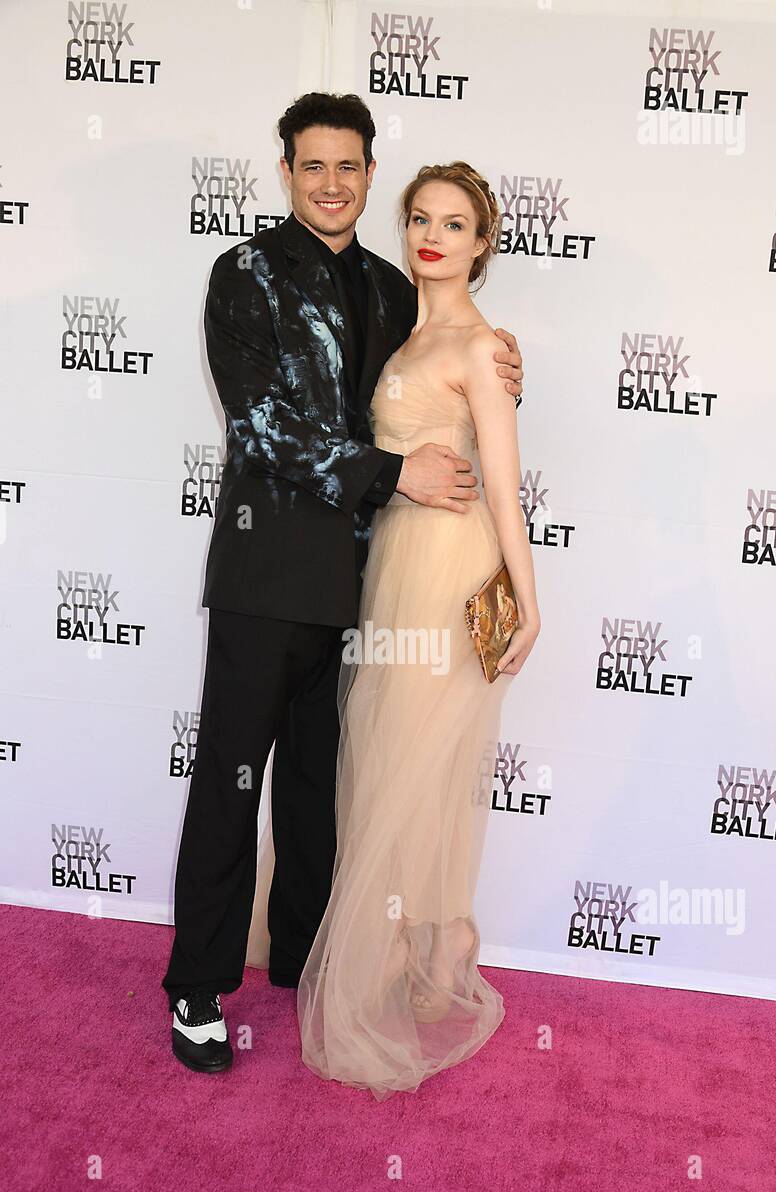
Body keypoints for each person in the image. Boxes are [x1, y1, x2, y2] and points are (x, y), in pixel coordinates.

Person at [163, 93, 524, 1073]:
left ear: (369, 174)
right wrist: (392, 474)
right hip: (265, 573)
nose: (332, 183)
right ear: (286, 171)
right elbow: (266, 430)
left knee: (328, 791)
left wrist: (497, 361)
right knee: (233, 783)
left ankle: (302, 959)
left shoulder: (390, 287)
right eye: (313, 166)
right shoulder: (242, 277)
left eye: (351, 168)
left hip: (369, 587)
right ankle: (197, 982)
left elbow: (430, 377)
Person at [297, 162, 541, 1101]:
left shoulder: (483, 348)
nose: (432, 235)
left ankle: (445, 940)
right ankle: (424, 937)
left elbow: (508, 486)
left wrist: (527, 595)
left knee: (423, 759)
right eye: (419, 218)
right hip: (395, 564)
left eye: (455, 223)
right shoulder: (404, 328)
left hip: (448, 573)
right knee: (388, 753)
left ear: (484, 244)